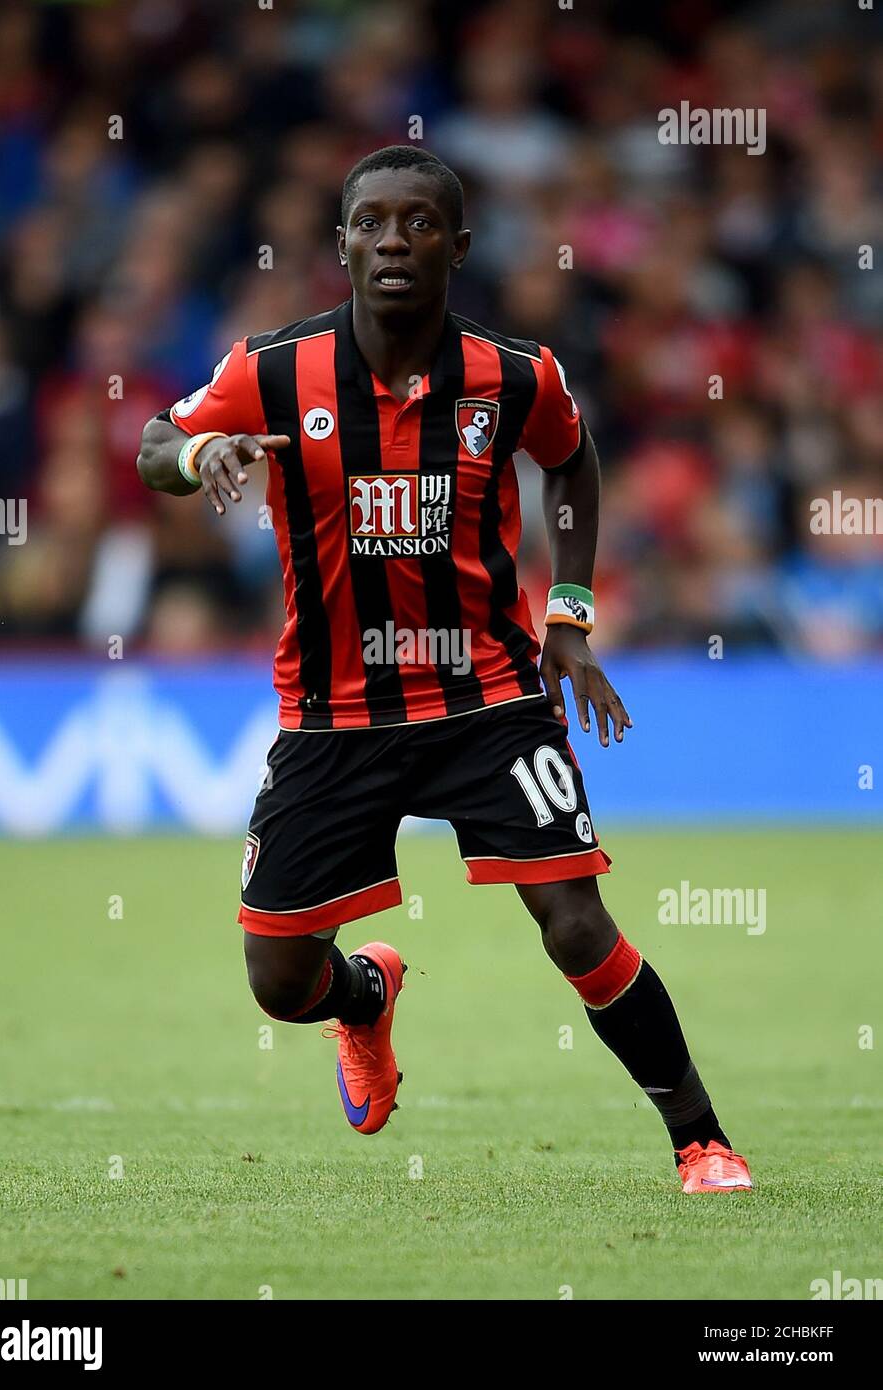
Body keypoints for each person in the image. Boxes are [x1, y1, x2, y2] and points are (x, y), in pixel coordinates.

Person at [137, 146, 752, 1193]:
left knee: (575, 922)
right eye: (369, 223)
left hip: (488, 700)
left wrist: (568, 612)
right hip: (334, 713)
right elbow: (156, 441)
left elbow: (571, 457)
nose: (390, 241)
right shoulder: (273, 371)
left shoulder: (514, 376)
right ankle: (363, 1001)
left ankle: (700, 1138)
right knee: (279, 981)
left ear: (456, 246)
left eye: (416, 223)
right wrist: (203, 457)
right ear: (339, 244)